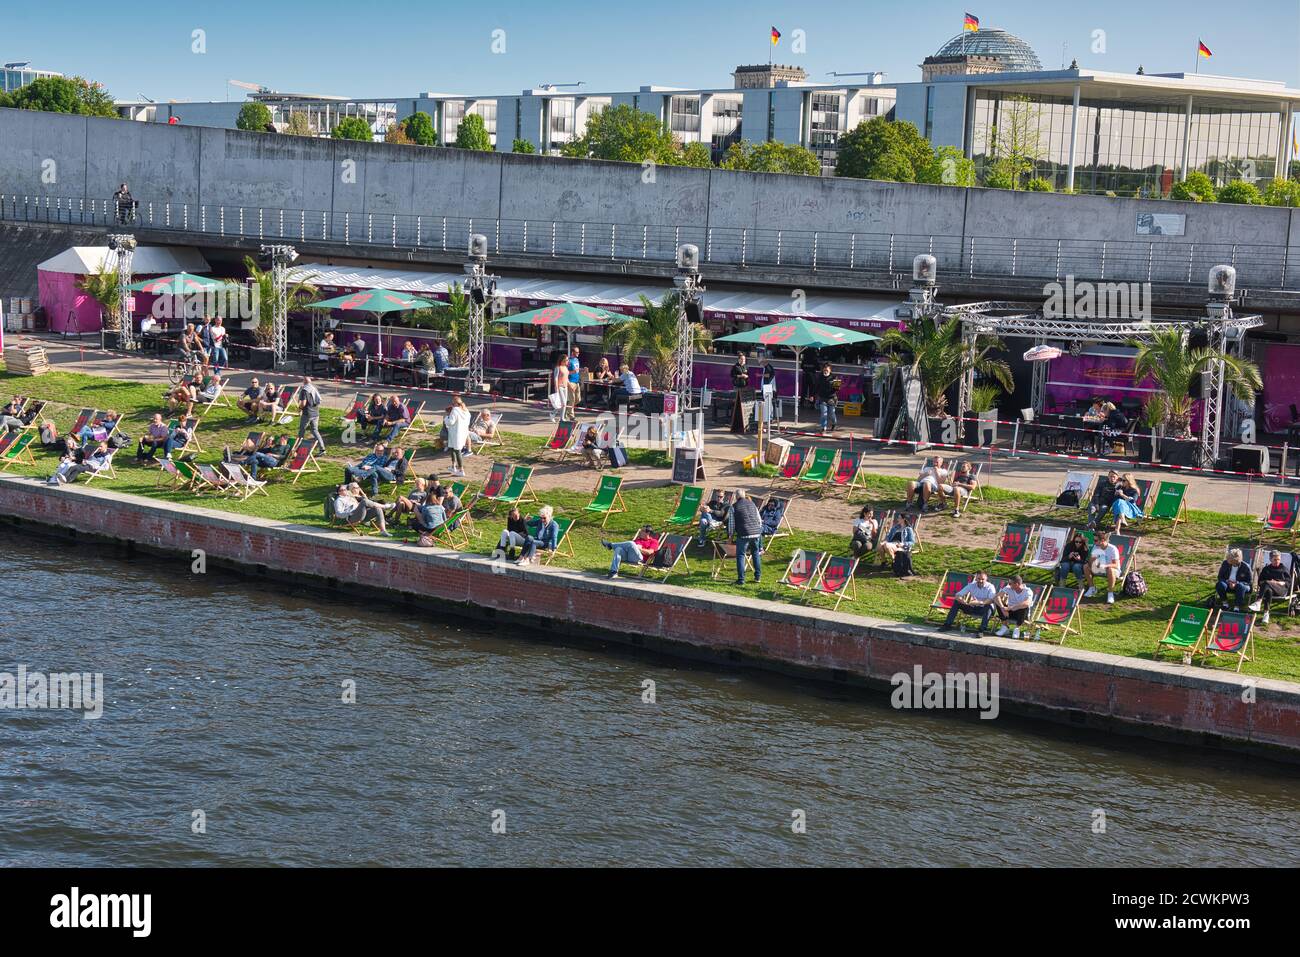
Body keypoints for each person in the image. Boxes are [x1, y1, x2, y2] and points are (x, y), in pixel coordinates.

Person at [731, 489, 763, 585]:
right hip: (756, 533)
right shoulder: (753, 504)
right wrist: (758, 531)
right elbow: (759, 520)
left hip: (744, 533)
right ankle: (757, 577)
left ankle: (741, 579)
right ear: (744, 495)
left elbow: (731, 524)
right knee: (755, 553)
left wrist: (730, 536)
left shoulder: (734, 507)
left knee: (741, 555)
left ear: (736, 497)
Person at [1084, 530, 1122, 605]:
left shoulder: (1112, 549)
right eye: (1094, 540)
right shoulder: (1096, 547)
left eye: (1096, 540)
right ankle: (1092, 588)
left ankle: (1110, 593)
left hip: (1113, 570)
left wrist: (1105, 566)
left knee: (1110, 569)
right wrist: (1093, 561)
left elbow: (1116, 564)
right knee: (1086, 566)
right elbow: (1091, 562)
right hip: (1100, 568)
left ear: (1102, 540)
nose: (1094, 542)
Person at [994, 575, 1036, 639]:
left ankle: (1017, 628)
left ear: (1017, 584)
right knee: (998, 603)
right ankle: (1005, 627)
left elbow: (1027, 603)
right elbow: (996, 597)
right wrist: (1003, 608)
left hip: (1022, 614)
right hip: (1009, 612)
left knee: (1024, 606)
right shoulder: (1008, 588)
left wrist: (1010, 608)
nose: (1009, 585)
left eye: (1010, 583)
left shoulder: (1028, 591)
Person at [1256, 551, 1290, 625]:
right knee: (1268, 590)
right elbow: (1260, 582)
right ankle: (1266, 614)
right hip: (1268, 589)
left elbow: (1288, 582)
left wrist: (1277, 583)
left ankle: (1258, 601)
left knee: (1267, 583)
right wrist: (1269, 582)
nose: (1277, 561)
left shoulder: (1284, 569)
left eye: (1278, 559)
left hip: (1280, 589)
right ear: (1270, 559)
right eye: (1275, 559)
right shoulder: (1266, 569)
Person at [1215, 548, 1253, 612]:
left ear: (1235, 560)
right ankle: (1225, 604)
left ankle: (1237, 607)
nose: (1227, 560)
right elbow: (1220, 577)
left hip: (1242, 585)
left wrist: (1237, 583)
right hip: (1228, 583)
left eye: (1229, 559)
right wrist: (1228, 581)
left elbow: (1249, 581)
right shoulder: (1225, 563)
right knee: (1220, 584)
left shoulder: (1246, 566)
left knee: (1241, 586)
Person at [444, 396, 471, 477]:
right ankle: (453, 466)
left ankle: (461, 470)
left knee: (457, 450)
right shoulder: (466, 410)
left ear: (455, 403)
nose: (452, 405)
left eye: (452, 403)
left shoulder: (455, 410)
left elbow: (451, 422)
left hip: (456, 433)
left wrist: (446, 419)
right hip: (461, 433)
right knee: (452, 448)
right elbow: (468, 422)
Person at [299, 376, 325, 454]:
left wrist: (299, 407)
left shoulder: (304, 390)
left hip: (307, 413)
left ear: (304, 382)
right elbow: (318, 400)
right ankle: (322, 448)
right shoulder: (314, 388)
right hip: (316, 413)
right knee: (315, 431)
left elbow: (303, 403)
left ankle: (299, 447)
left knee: (302, 430)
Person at [813, 363, 838, 433]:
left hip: (831, 399)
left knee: (832, 414)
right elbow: (816, 387)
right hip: (822, 398)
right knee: (824, 413)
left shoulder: (834, 377)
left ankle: (834, 423)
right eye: (824, 369)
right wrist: (812, 395)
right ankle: (824, 427)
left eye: (827, 369)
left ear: (830, 370)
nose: (825, 371)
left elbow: (837, 389)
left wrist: (837, 387)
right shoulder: (819, 377)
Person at [550, 355, 569, 422]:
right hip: (560, 387)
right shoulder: (558, 367)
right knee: (563, 403)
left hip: (565, 387)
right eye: (566, 360)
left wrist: (569, 384)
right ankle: (560, 417)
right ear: (562, 360)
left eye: (567, 360)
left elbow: (566, 377)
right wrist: (556, 388)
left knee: (564, 403)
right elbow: (555, 378)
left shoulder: (566, 367)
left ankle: (556, 414)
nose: (567, 361)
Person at [567, 346, 583, 414]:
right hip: (571, 381)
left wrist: (582, 370)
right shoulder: (568, 361)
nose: (578, 353)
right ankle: (571, 415)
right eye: (577, 352)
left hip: (577, 381)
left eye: (578, 352)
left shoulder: (576, 360)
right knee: (572, 400)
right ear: (572, 352)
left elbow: (577, 370)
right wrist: (572, 372)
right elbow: (566, 372)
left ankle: (566, 409)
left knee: (578, 399)